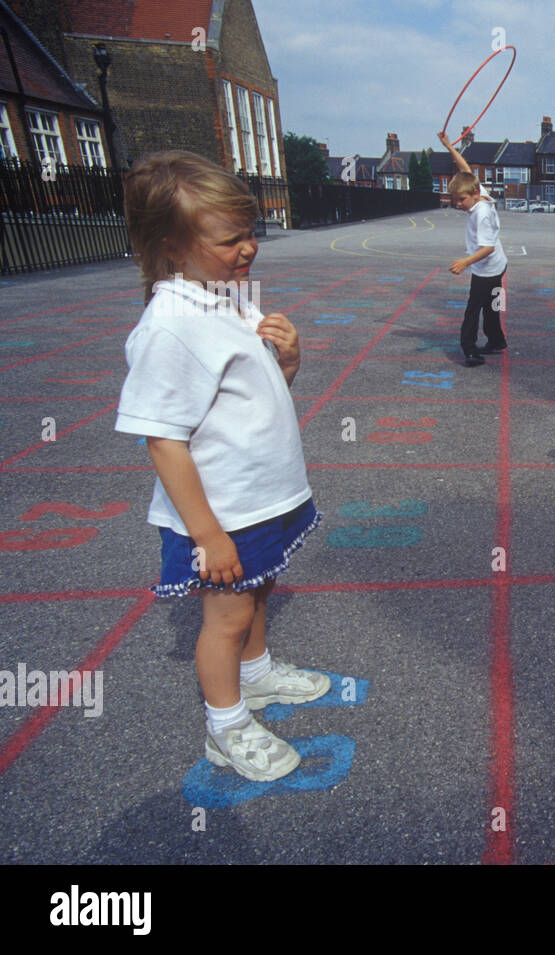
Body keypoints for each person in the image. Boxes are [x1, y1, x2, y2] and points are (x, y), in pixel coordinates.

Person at [115, 150, 329, 781]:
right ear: (173, 247)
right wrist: (207, 534)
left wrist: (287, 366)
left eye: (251, 232)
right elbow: (163, 439)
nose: (247, 249)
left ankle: (257, 678)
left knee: (258, 588)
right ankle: (225, 726)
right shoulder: (171, 326)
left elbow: (248, 406)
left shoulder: (226, 299)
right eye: (230, 238)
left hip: (262, 497)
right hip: (223, 512)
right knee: (226, 616)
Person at [438, 130, 508, 367]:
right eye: (455, 200)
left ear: (473, 194)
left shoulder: (481, 215)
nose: (458, 205)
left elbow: (487, 247)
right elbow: (465, 169)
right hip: (498, 264)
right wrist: (449, 147)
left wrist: (465, 262)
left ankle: (469, 350)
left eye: (461, 200)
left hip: (486, 267)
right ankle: (497, 340)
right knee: (491, 304)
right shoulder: (481, 194)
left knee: (473, 309)